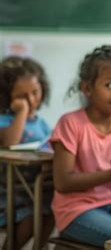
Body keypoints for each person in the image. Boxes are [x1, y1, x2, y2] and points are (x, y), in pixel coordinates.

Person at [50, 45, 111, 247]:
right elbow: (63, 182)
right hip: (76, 210)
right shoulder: (71, 124)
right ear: (87, 88)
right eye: (110, 85)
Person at [0, 56, 55, 249]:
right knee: (31, 215)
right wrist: (21, 113)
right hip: (11, 190)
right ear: (8, 96)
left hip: (39, 188)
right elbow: (10, 141)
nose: (31, 100)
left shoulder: (41, 123)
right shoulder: (5, 120)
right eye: (22, 96)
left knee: (54, 209)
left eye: (35, 92)